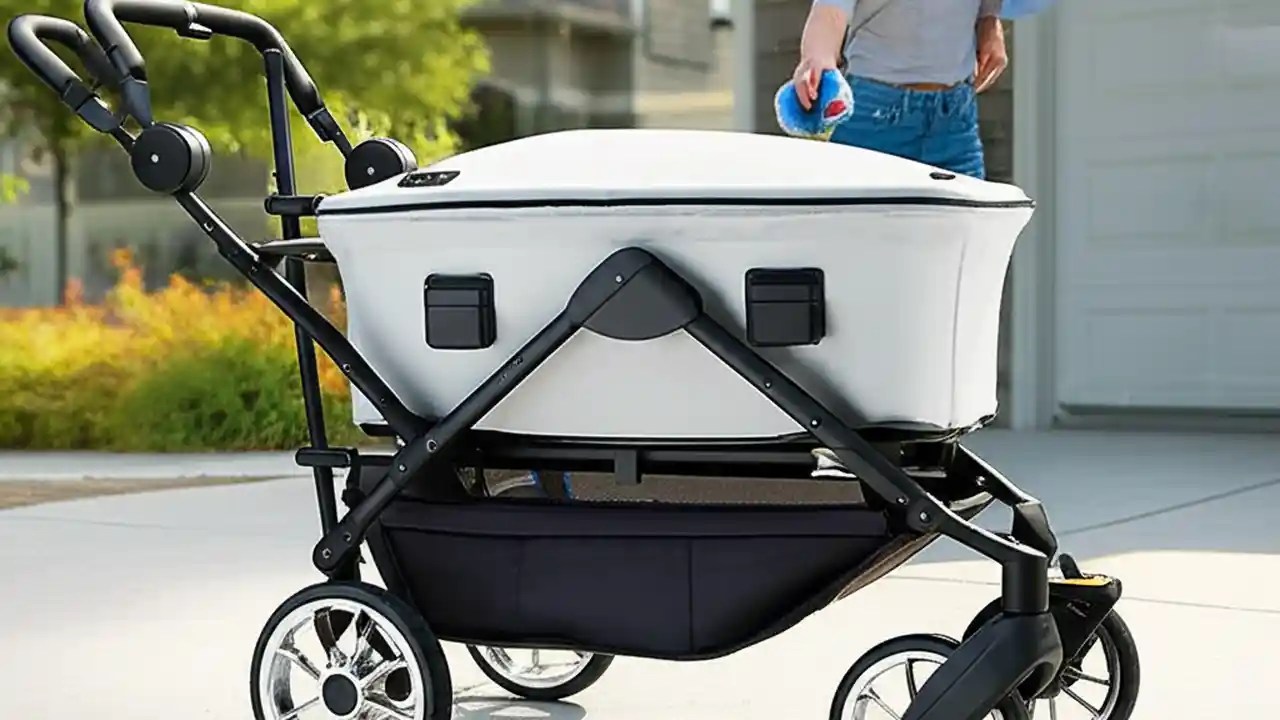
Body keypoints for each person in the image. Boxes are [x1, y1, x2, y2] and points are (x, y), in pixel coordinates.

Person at [793, 0, 1009, 179]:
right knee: (862, 226)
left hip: (955, 117)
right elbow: (830, 11)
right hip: (876, 114)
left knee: (966, 227)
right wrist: (817, 57)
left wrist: (988, 21)